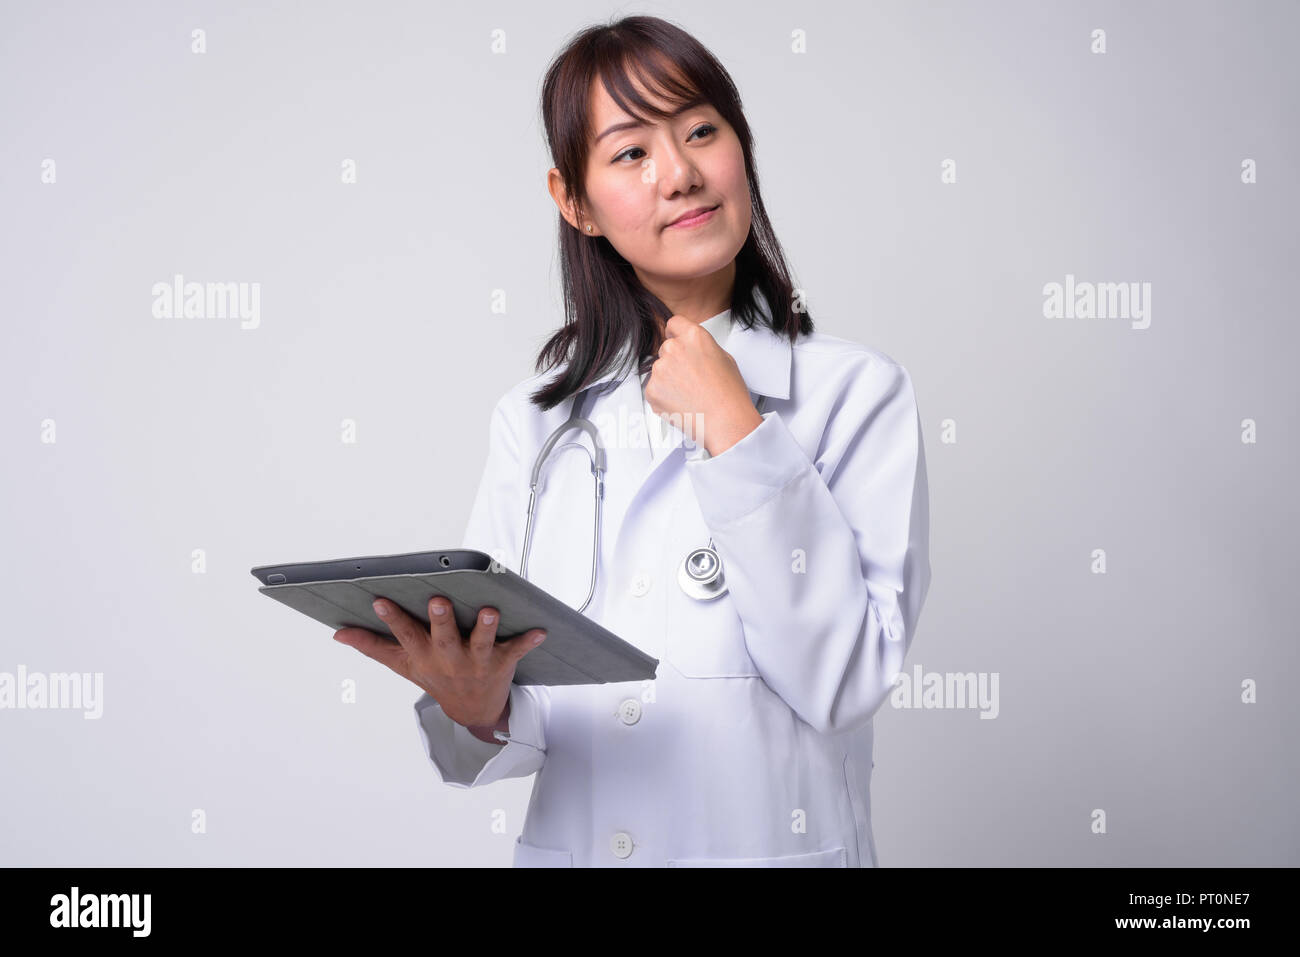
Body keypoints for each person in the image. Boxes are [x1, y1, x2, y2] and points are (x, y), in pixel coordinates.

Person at [333, 14, 931, 867]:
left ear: (741, 148)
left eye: (699, 131)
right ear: (573, 202)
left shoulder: (855, 395)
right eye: (630, 153)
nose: (681, 174)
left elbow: (841, 681)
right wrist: (479, 704)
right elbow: (530, 716)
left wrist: (735, 433)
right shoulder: (536, 423)